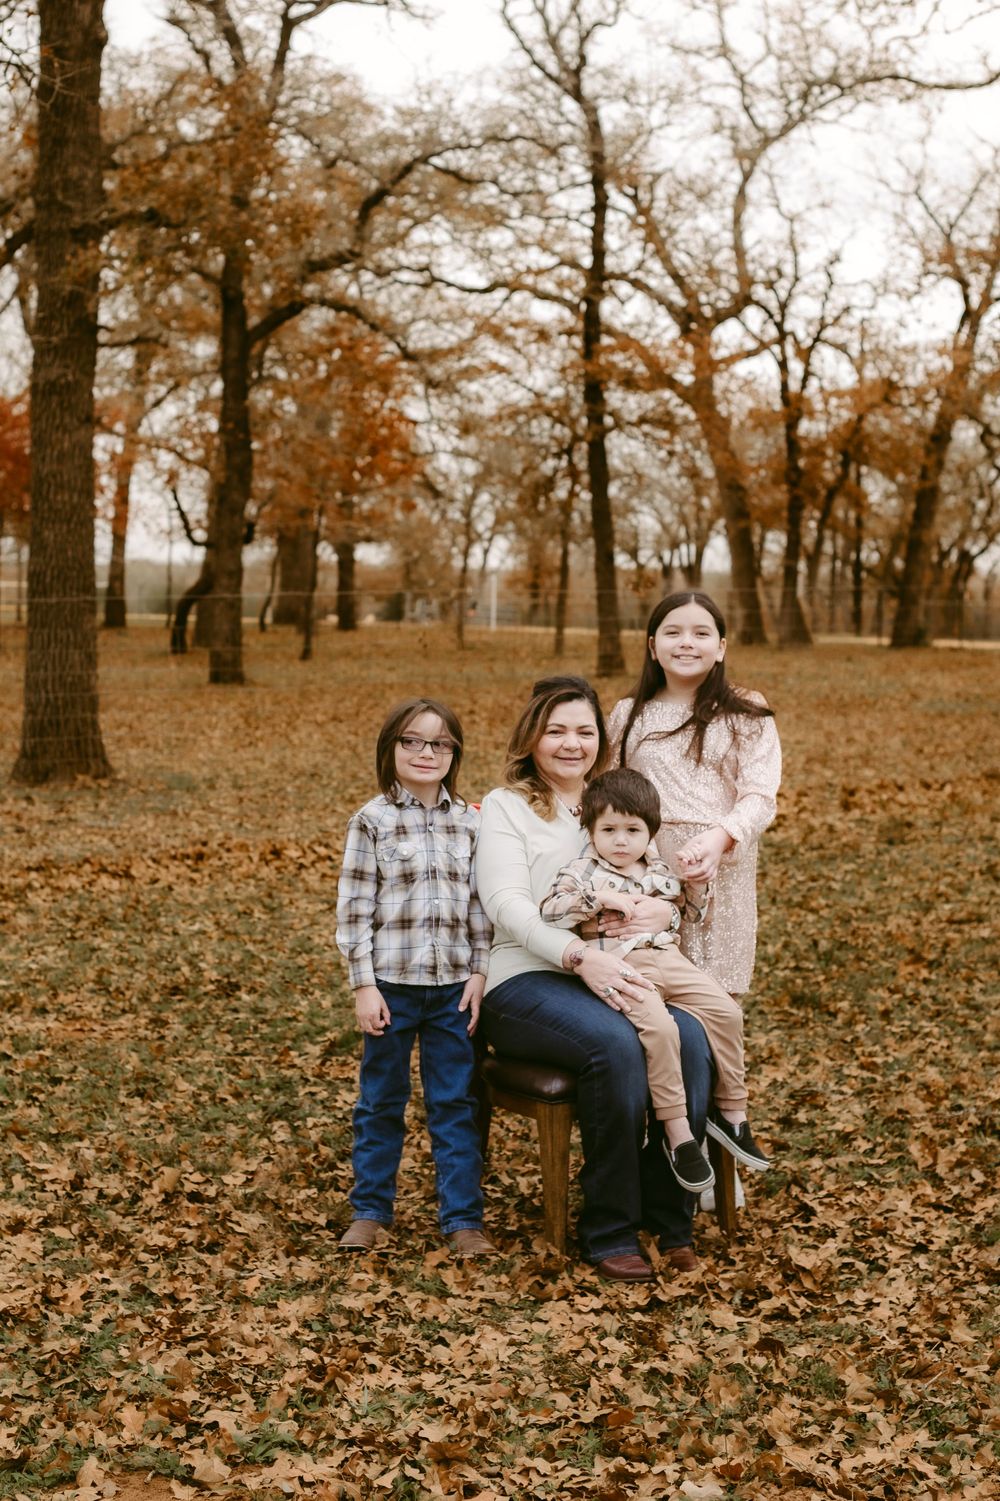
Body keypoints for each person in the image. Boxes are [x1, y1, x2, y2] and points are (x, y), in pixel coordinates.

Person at [475, 675, 717, 1282]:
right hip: (527, 978)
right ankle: (609, 1225)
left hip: (619, 966)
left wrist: (664, 909)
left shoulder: (614, 801)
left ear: (601, 741)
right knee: (613, 1046)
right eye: (555, 730)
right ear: (532, 737)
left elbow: (659, 884)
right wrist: (579, 958)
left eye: (584, 731)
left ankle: (671, 1217)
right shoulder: (507, 806)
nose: (570, 743)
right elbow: (507, 904)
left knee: (688, 1037)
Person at [539, 767, 770, 1192]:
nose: (621, 840)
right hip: (624, 966)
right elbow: (550, 910)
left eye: (633, 829)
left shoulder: (659, 869)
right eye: (608, 829)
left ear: (651, 833)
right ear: (590, 830)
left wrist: (694, 886)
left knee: (727, 1012)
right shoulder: (581, 871)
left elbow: (689, 914)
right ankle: (677, 1132)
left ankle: (733, 1114)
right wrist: (599, 898)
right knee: (662, 1030)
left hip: (670, 957)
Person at [335, 698, 497, 1257]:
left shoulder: (471, 823)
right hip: (392, 986)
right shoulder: (372, 821)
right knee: (381, 1101)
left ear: (455, 753)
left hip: (453, 988)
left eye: (440, 744)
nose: (426, 753)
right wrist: (363, 985)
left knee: (454, 1103)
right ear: (391, 749)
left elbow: (482, 906)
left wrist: (481, 970)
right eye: (412, 741)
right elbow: (355, 908)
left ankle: (462, 1220)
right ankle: (371, 1211)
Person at [608, 591, 781, 1001]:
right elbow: (606, 792)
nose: (686, 642)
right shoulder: (628, 713)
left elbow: (760, 794)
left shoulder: (746, 712)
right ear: (652, 646)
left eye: (701, 633)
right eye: (673, 632)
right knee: (649, 997)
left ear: (721, 647)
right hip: (643, 867)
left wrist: (721, 838)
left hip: (719, 866)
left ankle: (719, 1067)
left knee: (716, 999)